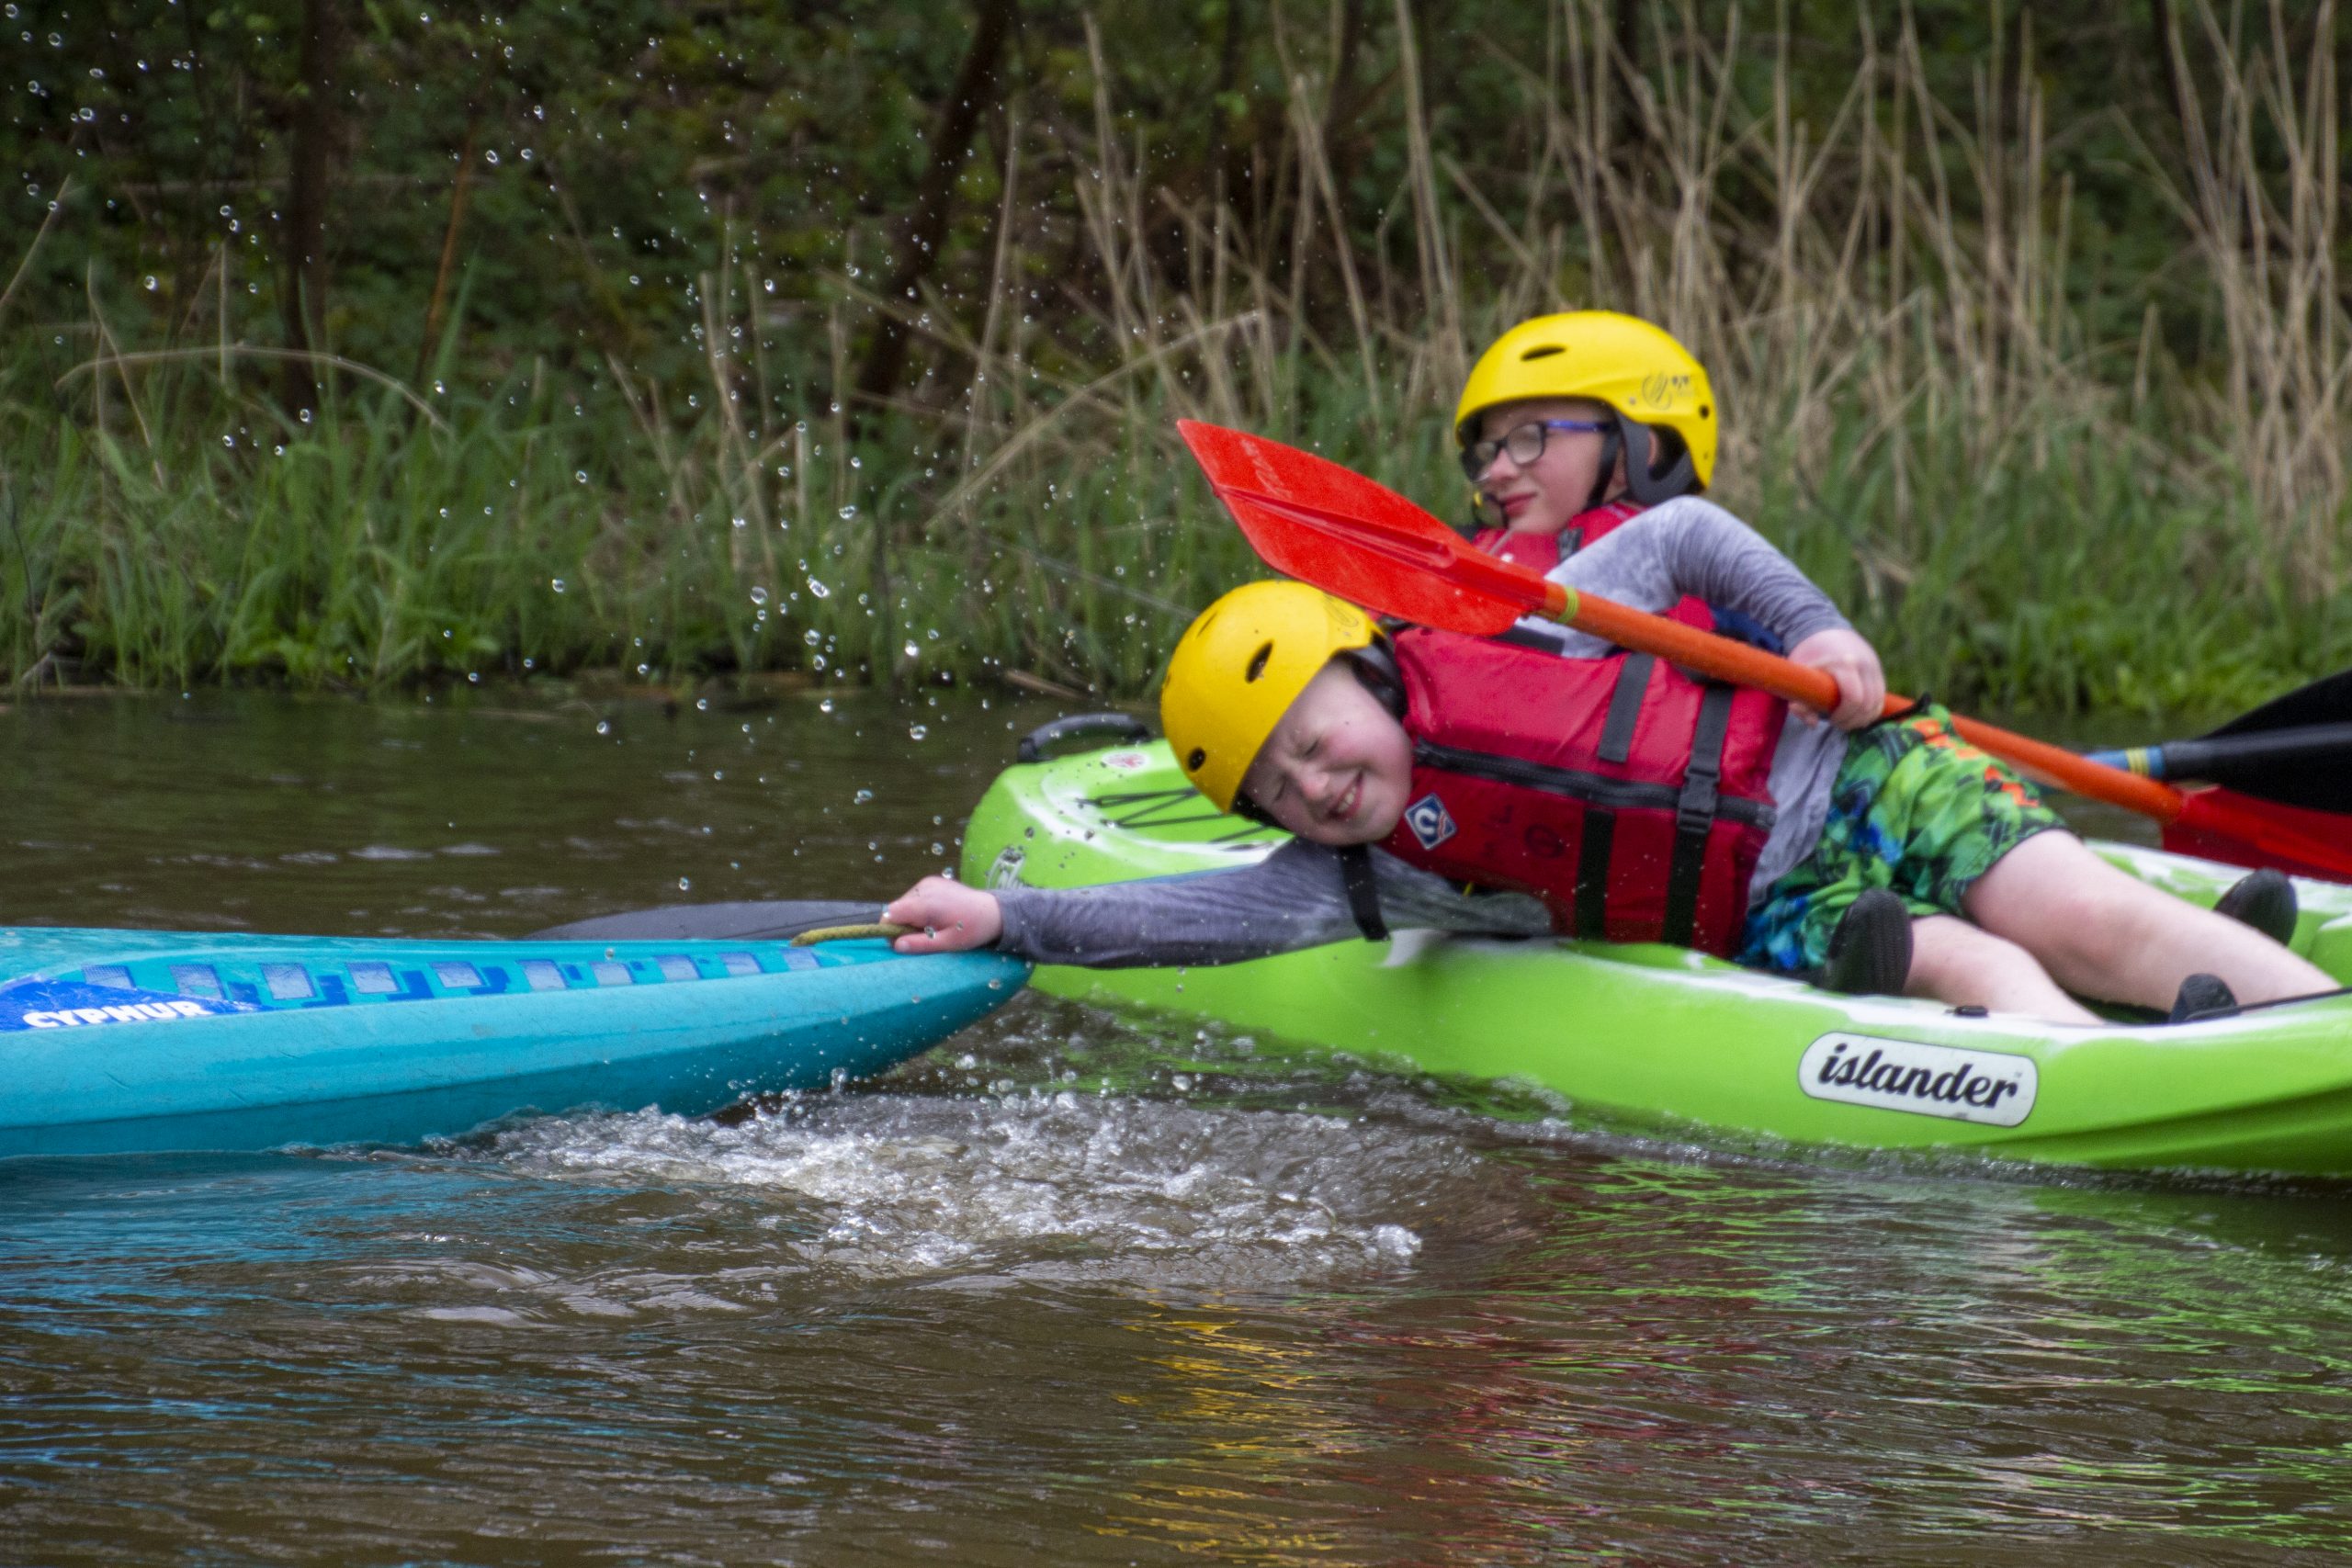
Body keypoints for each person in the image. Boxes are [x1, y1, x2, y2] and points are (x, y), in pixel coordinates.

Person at [886, 314, 2330, 1024]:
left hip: (1852, 769)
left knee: (2070, 899)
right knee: (1981, 961)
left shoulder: (1522, 618)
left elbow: (1697, 531)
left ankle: (2286, 1018)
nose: (1317, 786)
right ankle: (2121, 1063)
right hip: (1759, 900)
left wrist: (1819, 632)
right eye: (1282, 791)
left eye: (1315, 744)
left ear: (1380, 678)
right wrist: (1007, 916)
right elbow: (1190, 917)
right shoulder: (1368, 869)